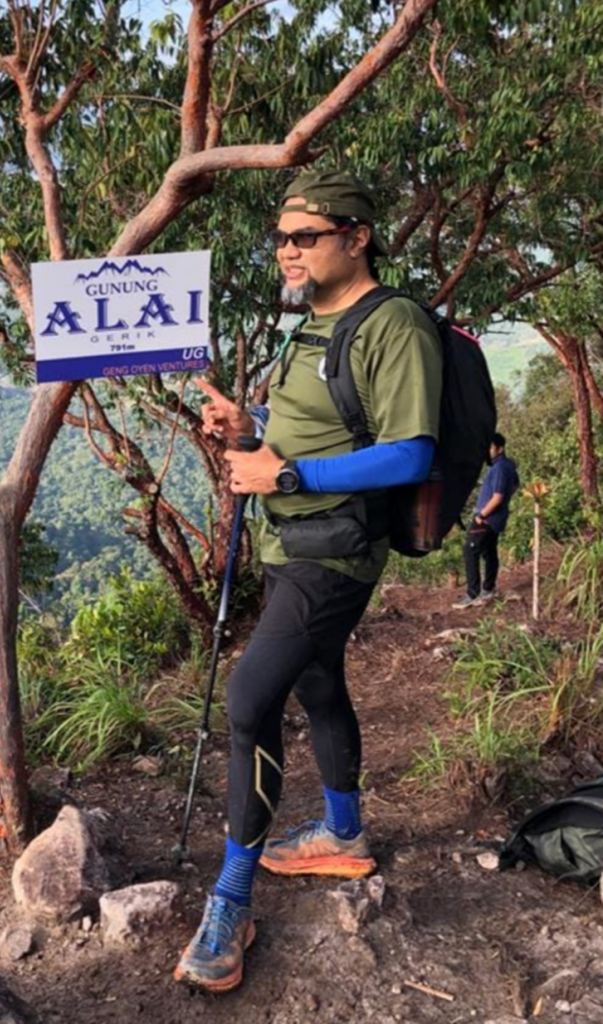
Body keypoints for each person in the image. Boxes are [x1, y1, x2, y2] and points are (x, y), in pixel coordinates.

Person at [173, 170, 443, 993]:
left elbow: (411, 452)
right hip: (293, 539)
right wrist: (249, 425)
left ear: (357, 238)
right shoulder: (313, 323)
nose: (288, 251)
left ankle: (231, 901)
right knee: (319, 681)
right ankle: (344, 834)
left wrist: (287, 476)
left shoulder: (394, 324)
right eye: (282, 238)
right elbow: (315, 423)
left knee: (249, 699)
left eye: (306, 236)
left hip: (336, 548)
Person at [452, 433, 519, 609]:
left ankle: (472, 594)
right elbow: (515, 485)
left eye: (489, 447)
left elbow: (497, 497)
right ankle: (488, 589)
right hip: (496, 518)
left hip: (487, 518)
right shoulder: (508, 465)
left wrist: (482, 515)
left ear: (500, 448)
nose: (486, 451)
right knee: (489, 552)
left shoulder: (499, 468)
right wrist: (504, 502)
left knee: (470, 550)